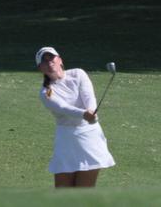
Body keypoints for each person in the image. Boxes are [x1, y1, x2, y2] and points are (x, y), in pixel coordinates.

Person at [35, 46, 116, 187]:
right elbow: (63, 108)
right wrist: (84, 114)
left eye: (52, 58)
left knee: (83, 190)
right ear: (40, 68)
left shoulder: (78, 74)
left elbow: (89, 97)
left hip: (89, 137)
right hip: (66, 139)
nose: (49, 62)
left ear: (60, 60)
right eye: (44, 61)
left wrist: (91, 112)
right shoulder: (46, 92)